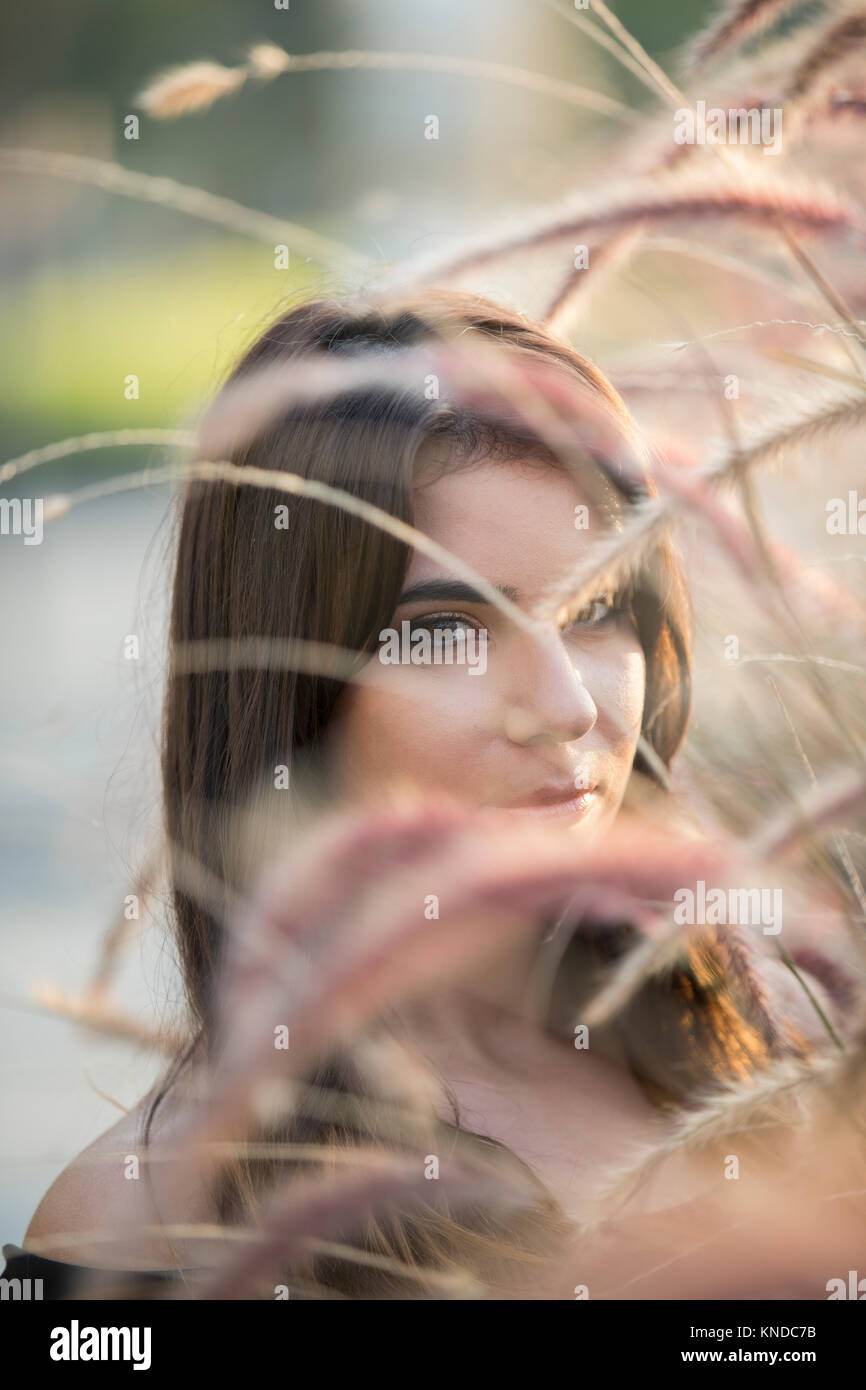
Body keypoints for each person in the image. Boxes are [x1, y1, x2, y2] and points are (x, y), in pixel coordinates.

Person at [7, 288, 852, 1300]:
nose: (565, 705)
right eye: (444, 627)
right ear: (289, 691)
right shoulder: (138, 1224)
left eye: (597, 608)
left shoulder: (799, 1064)